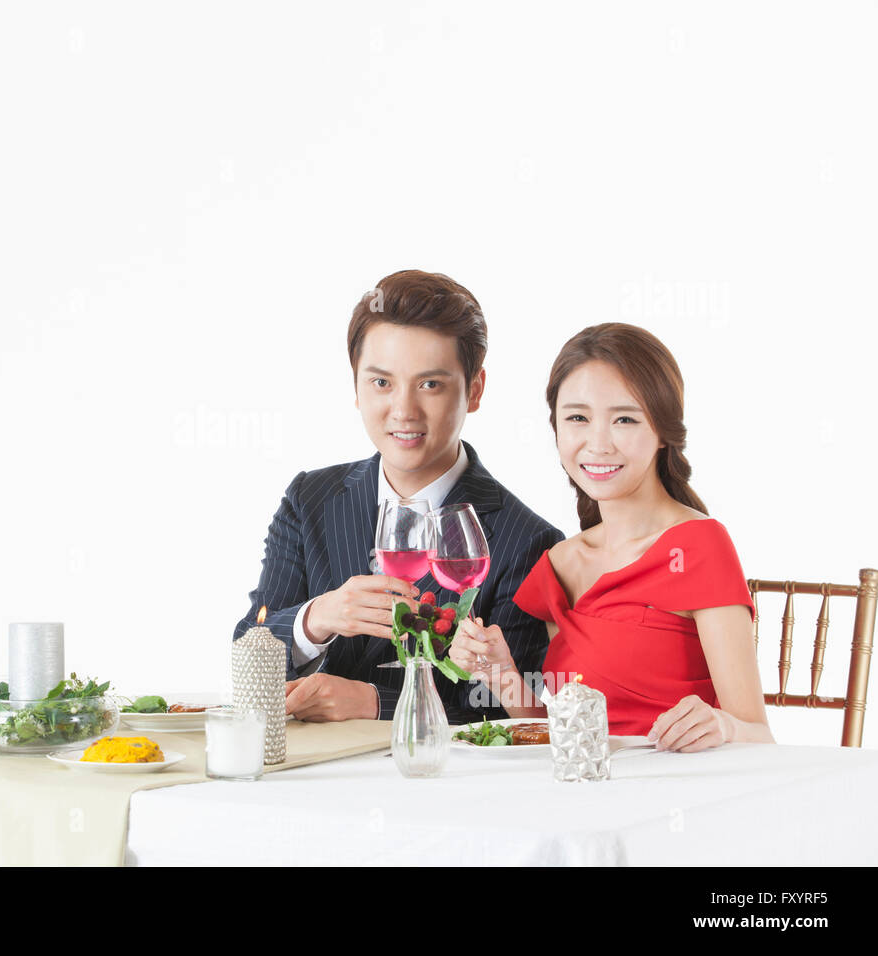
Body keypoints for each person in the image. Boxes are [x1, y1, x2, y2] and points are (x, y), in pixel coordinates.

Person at [233, 270, 563, 723]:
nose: (403, 411)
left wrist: (376, 704)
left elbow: (510, 716)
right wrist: (317, 618)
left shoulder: (529, 540)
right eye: (381, 383)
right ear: (356, 385)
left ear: (476, 390)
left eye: (430, 384)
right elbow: (248, 653)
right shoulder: (310, 498)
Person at [449, 323, 774, 751]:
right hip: (587, 797)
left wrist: (724, 727)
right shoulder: (560, 563)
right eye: (578, 418)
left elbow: (758, 736)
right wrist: (502, 674)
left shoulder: (698, 546)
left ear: (662, 433)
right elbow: (570, 739)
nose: (598, 444)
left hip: (679, 793)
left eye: (624, 419)